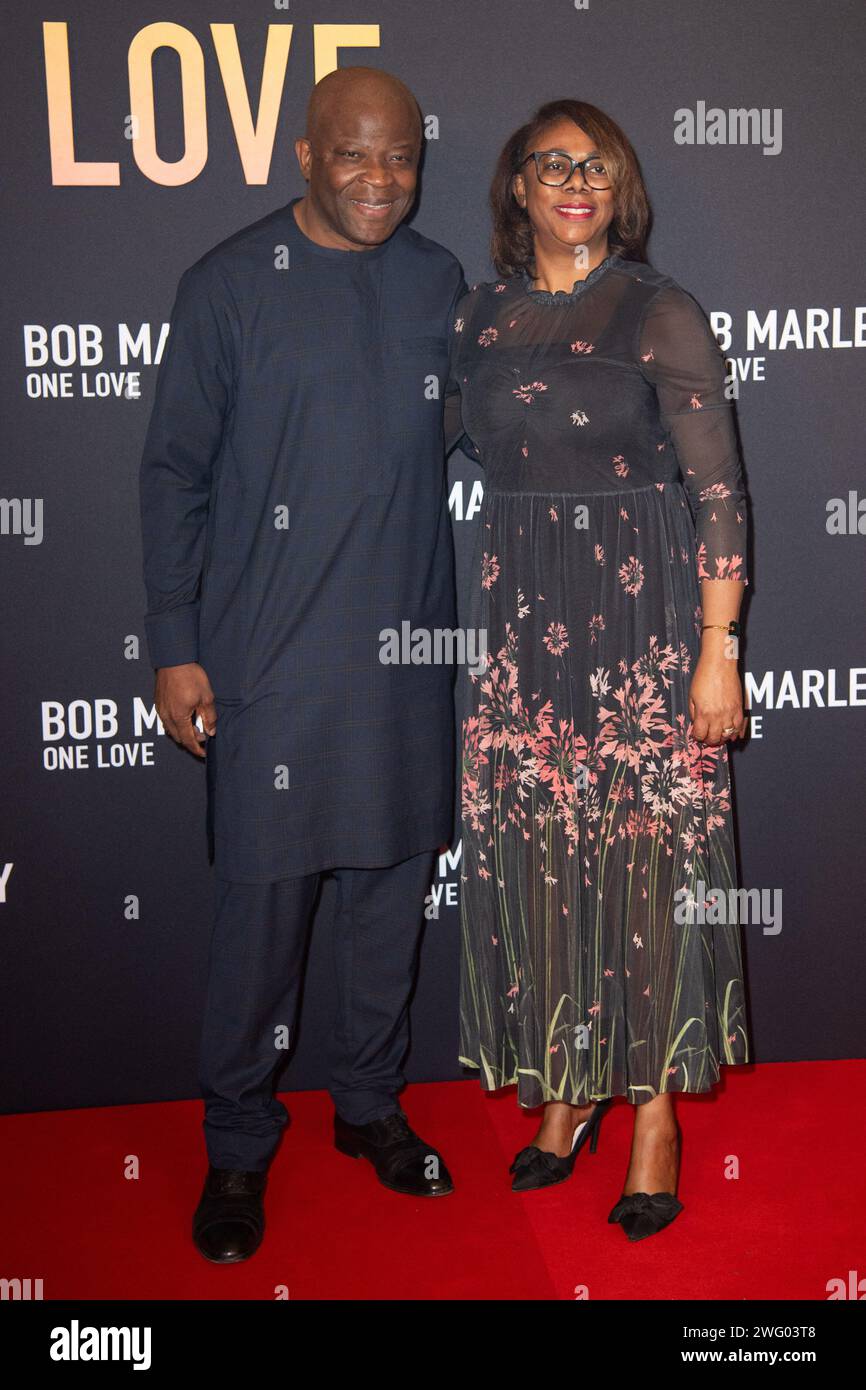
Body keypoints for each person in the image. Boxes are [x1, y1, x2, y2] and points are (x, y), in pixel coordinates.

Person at [139, 66, 466, 1264]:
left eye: (400, 160)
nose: (379, 181)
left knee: (389, 905)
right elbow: (173, 473)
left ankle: (369, 1108)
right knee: (260, 922)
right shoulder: (227, 285)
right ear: (303, 155)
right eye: (353, 155)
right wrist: (174, 646)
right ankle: (237, 1144)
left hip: (403, 657)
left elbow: (490, 425)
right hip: (268, 663)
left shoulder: (439, 282)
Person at [446, 99, 750, 1242]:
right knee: (538, 858)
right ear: (515, 188)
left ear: (618, 190)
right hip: (522, 631)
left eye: (597, 166)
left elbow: (717, 491)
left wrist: (717, 653)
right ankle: (566, 1091)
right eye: (551, 163)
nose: (576, 181)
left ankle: (654, 1112)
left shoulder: (658, 308)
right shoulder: (474, 320)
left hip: (643, 629)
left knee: (641, 866)